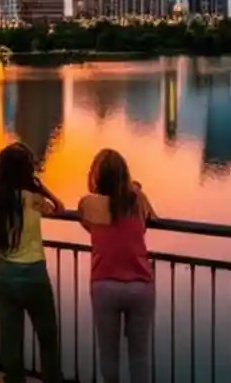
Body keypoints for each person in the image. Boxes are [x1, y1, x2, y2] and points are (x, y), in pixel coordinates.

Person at [0, 143, 65, 383]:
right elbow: (59, 209)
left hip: (2, 273)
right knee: (47, 334)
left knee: (11, 337)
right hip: (32, 274)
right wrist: (42, 188)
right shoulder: (32, 198)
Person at [79, 149, 156, 383]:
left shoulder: (88, 204)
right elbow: (148, 222)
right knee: (139, 358)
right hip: (140, 285)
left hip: (105, 284)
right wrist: (136, 189)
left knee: (109, 355)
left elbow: (90, 226)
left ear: (96, 175)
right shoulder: (137, 200)